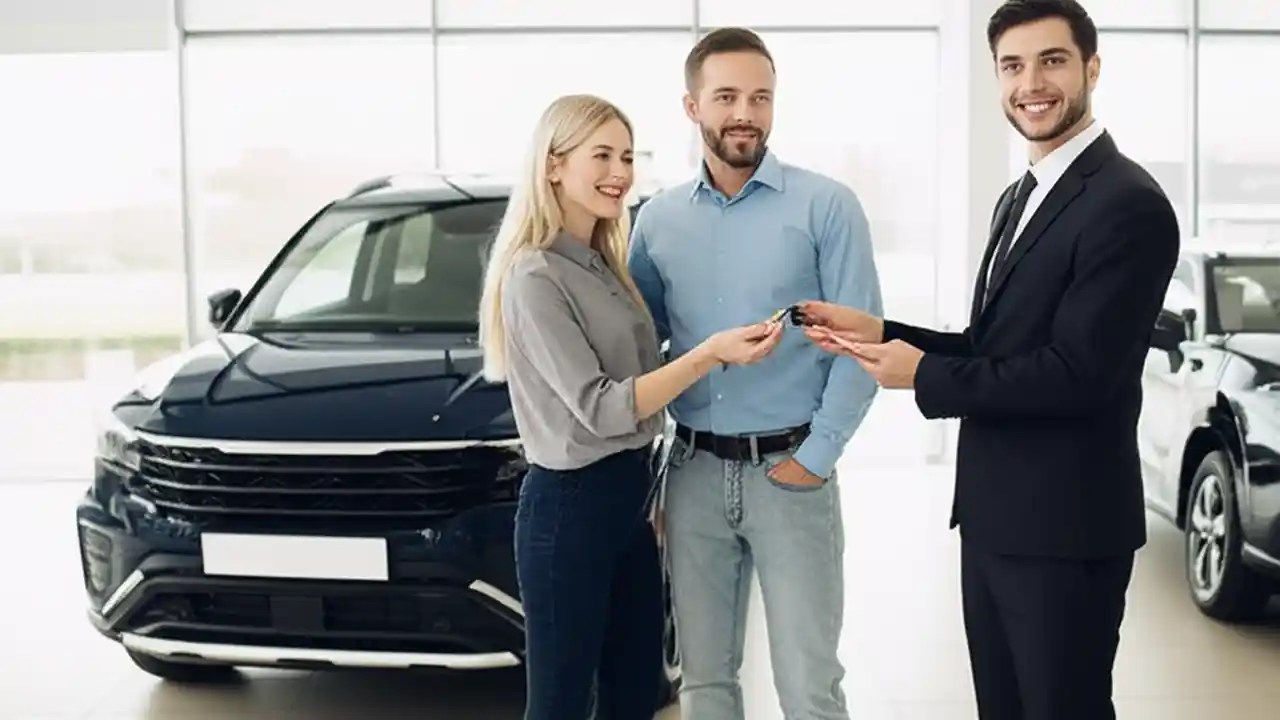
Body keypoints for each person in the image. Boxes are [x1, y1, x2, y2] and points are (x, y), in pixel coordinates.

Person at [801, 2, 1180, 718]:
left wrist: (923, 376)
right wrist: (880, 329)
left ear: (1092, 68)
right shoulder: (1023, 194)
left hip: (1066, 529)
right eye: (1012, 65)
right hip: (998, 519)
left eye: (1052, 60)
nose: (1030, 82)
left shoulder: (1128, 203)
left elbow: (1079, 376)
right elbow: (995, 346)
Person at [477, 93, 782, 720]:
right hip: (569, 510)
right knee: (561, 702)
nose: (620, 172)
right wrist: (709, 355)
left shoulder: (603, 264)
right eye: (601, 156)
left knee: (637, 694)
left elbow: (643, 374)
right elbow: (604, 408)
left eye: (626, 155)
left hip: (627, 501)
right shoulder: (535, 276)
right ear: (554, 165)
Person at [627, 28, 883, 720]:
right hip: (693, 475)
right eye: (728, 96)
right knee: (706, 683)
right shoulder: (656, 220)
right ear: (692, 106)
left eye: (760, 97)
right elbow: (642, 350)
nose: (746, 112)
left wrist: (817, 457)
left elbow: (863, 346)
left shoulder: (826, 206)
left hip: (793, 472)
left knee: (810, 687)